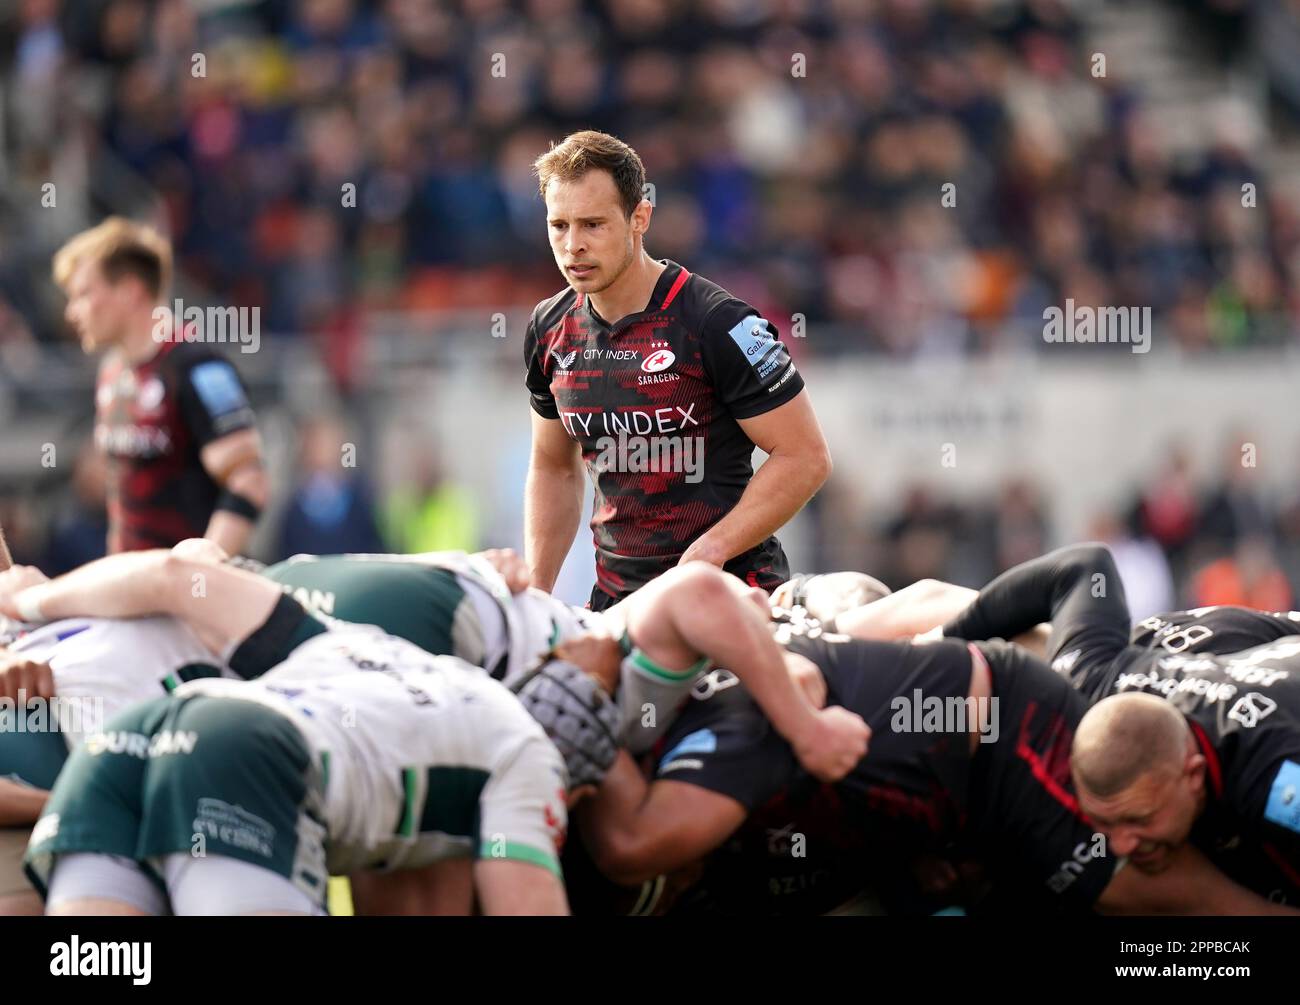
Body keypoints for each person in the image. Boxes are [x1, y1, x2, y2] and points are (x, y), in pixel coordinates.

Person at [523, 130, 832, 610]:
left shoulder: (717, 322)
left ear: (639, 217)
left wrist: (708, 553)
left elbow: (805, 457)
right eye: (559, 225)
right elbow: (553, 466)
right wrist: (534, 598)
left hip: (732, 598)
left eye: (593, 225)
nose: (573, 245)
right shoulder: (550, 328)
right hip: (616, 608)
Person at [53, 217, 268, 555]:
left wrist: (199, 572)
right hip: (136, 589)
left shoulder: (198, 367)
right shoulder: (112, 373)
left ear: (129, 291)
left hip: (193, 596)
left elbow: (249, 482)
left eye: (83, 294)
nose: (71, 312)